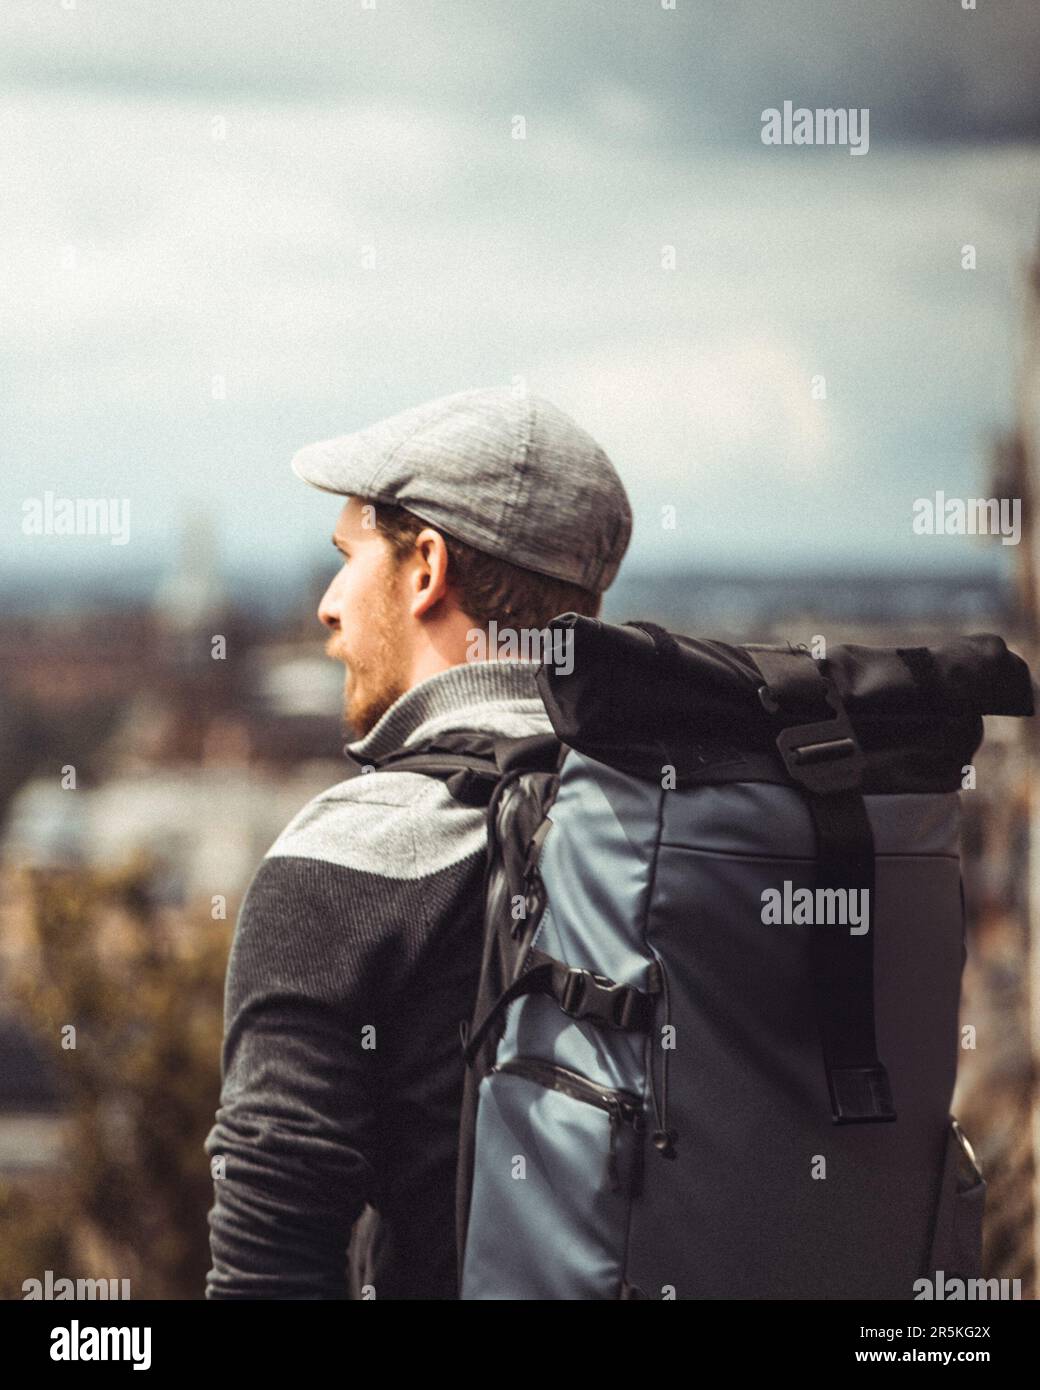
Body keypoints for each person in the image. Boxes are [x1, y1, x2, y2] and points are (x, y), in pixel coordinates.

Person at [203, 385, 632, 1299]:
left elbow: (267, 1267)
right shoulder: (674, 821)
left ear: (425, 568)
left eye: (348, 558)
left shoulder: (352, 855)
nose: (327, 607)